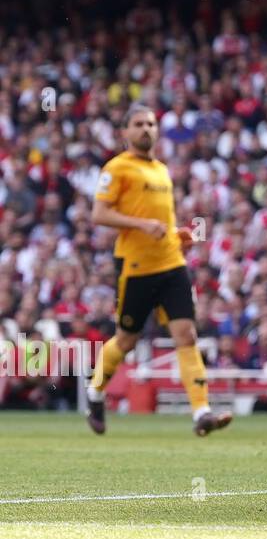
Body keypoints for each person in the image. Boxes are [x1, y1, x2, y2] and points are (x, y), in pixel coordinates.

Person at [86, 104, 233, 437]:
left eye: (151, 123)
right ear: (125, 131)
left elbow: (160, 222)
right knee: (126, 340)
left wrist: (176, 233)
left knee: (187, 335)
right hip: (136, 266)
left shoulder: (162, 171)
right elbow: (99, 214)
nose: (146, 129)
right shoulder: (117, 167)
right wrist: (140, 225)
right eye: (138, 124)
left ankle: (201, 413)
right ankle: (95, 392)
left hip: (171, 262)